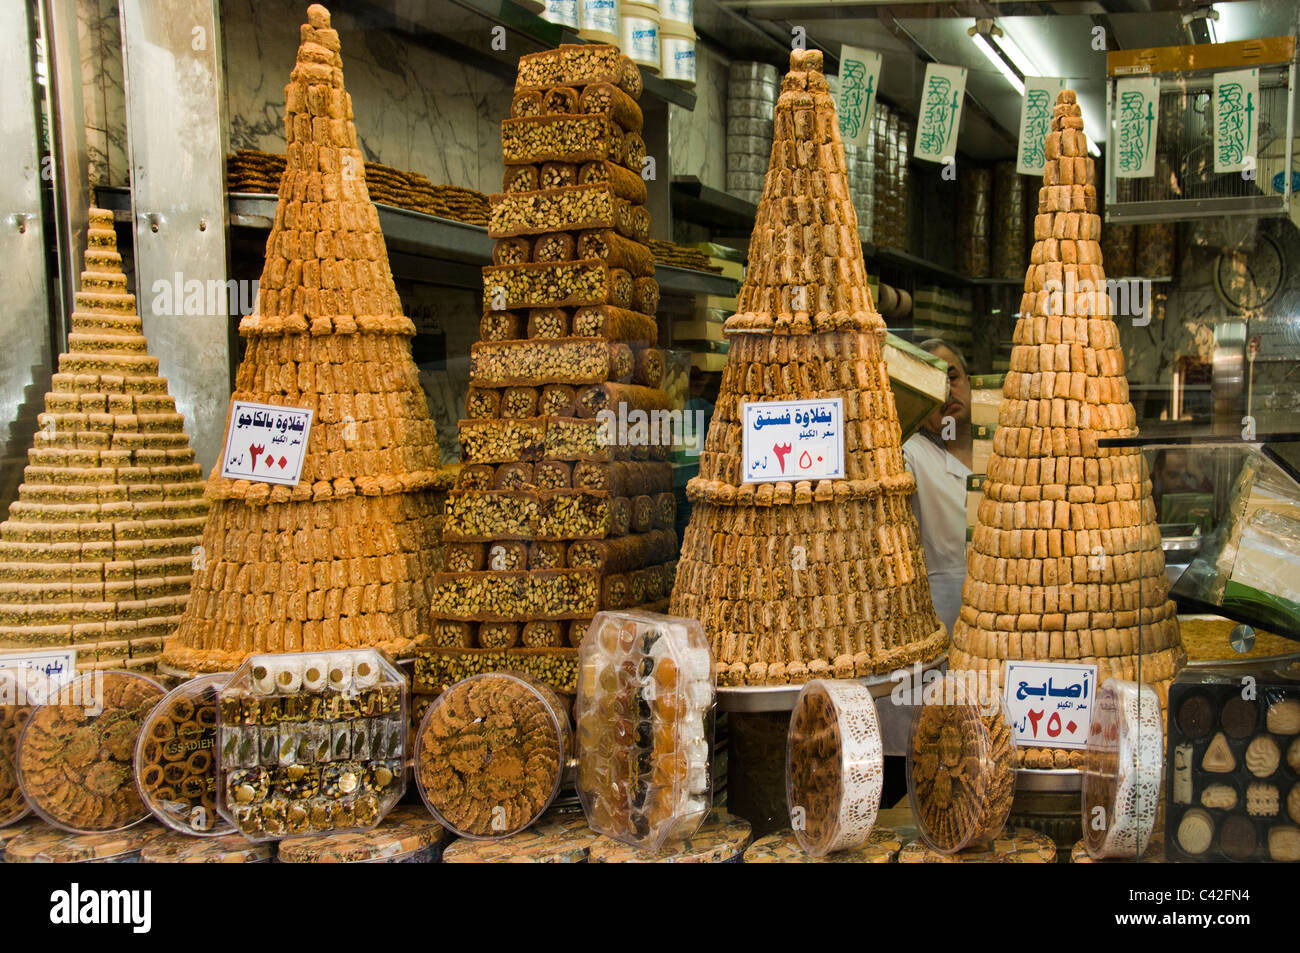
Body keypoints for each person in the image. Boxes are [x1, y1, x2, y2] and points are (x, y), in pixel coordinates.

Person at [901, 339, 972, 636]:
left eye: (951, 377)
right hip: (942, 631)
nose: (945, 391)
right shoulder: (911, 456)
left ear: (970, 382)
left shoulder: (1002, 449)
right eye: (930, 382)